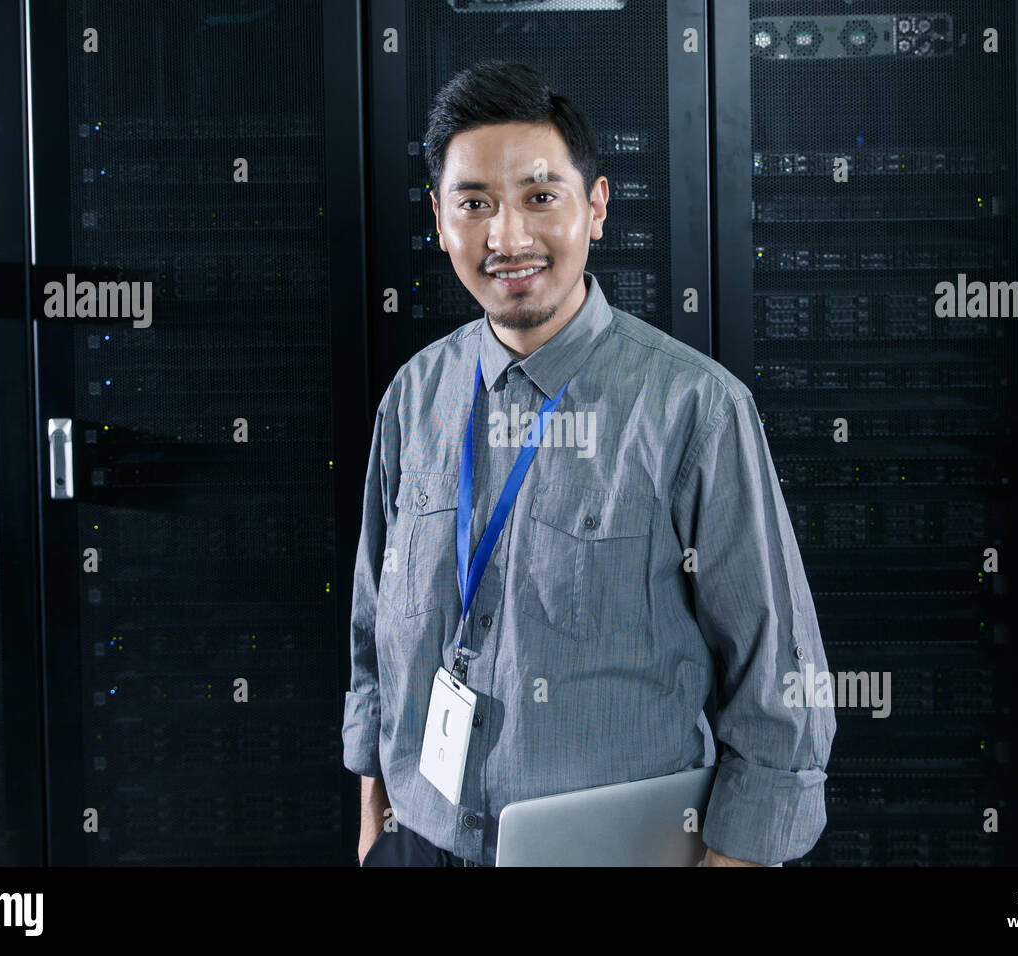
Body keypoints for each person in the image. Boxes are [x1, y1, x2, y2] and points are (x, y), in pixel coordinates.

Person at [343, 60, 834, 867]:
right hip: (421, 841)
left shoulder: (695, 410)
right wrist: (373, 805)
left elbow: (781, 679)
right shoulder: (414, 397)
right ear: (439, 219)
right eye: (475, 204)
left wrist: (735, 859)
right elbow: (373, 622)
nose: (508, 239)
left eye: (541, 197)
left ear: (595, 208)